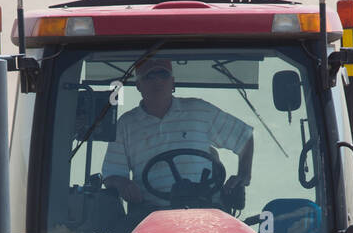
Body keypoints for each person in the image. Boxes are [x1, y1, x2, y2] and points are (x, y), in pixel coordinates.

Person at [101, 57, 254, 211]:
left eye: (163, 74)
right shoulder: (126, 124)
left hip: (204, 213)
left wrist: (243, 176)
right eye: (149, 76)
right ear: (138, 85)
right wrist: (122, 184)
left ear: (172, 81)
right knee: (122, 229)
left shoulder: (199, 110)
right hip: (150, 218)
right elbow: (111, 175)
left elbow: (244, 137)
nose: (158, 81)